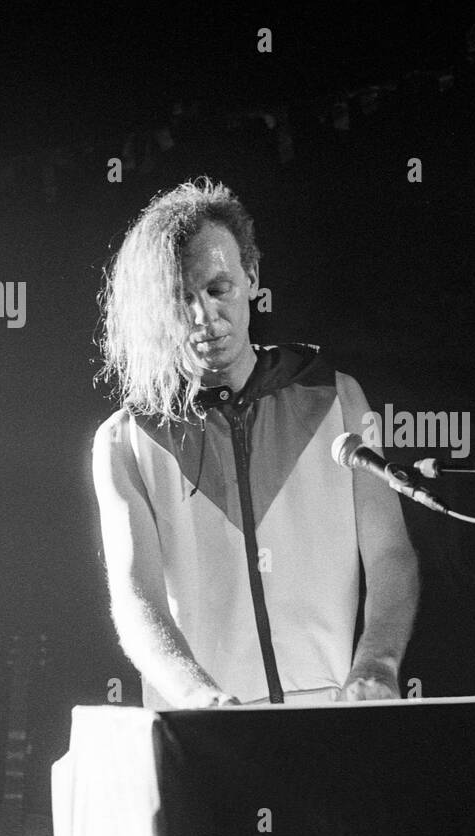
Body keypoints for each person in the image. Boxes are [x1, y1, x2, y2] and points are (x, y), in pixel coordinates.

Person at [92, 178, 419, 708]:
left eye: (218, 289)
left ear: (251, 275)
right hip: (202, 730)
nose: (204, 317)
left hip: (331, 722)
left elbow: (390, 555)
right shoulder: (126, 440)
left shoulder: (336, 398)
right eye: (182, 299)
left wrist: (377, 665)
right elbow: (136, 601)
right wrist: (196, 696)